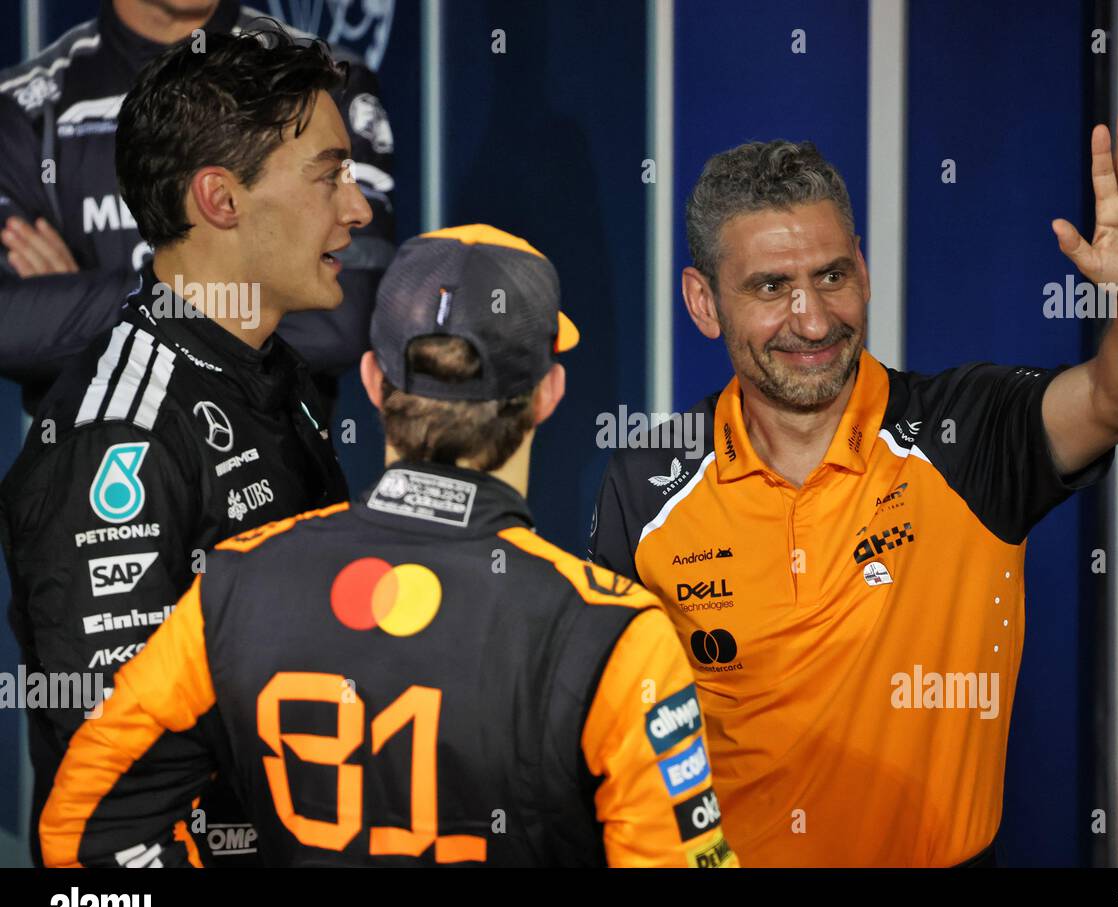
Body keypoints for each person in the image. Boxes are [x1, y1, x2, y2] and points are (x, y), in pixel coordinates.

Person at [40, 225, 737, 868]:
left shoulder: (233, 585)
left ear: (375, 382)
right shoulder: (614, 635)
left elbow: (85, 829)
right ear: (548, 392)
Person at [589, 117, 1118, 866]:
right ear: (704, 302)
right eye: (772, 287)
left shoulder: (966, 433)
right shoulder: (647, 482)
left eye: (831, 276)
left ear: (863, 273)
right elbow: (615, 728)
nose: (811, 318)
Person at [0, 25, 368, 866]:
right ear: (221, 200)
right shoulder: (117, 433)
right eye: (328, 176)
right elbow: (110, 801)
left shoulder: (278, 379)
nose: (356, 207)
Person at [0, 0, 396, 415]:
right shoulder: (24, 106)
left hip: (272, 461)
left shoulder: (316, 80)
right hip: (96, 461)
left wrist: (74, 305)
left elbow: (341, 322)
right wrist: (254, 293)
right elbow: (9, 327)